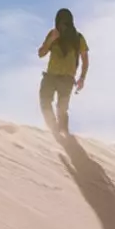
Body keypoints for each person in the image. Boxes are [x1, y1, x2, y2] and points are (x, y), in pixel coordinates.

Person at [37, 8, 89, 136]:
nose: (62, 25)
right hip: (51, 76)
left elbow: (85, 59)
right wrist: (51, 40)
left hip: (67, 79)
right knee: (44, 101)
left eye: (65, 23)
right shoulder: (53, 34)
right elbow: (41, 53)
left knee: (62, 109)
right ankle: (53, 129)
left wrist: (82, 78)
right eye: (60, 22)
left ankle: (64, 134)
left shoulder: (78, 38)